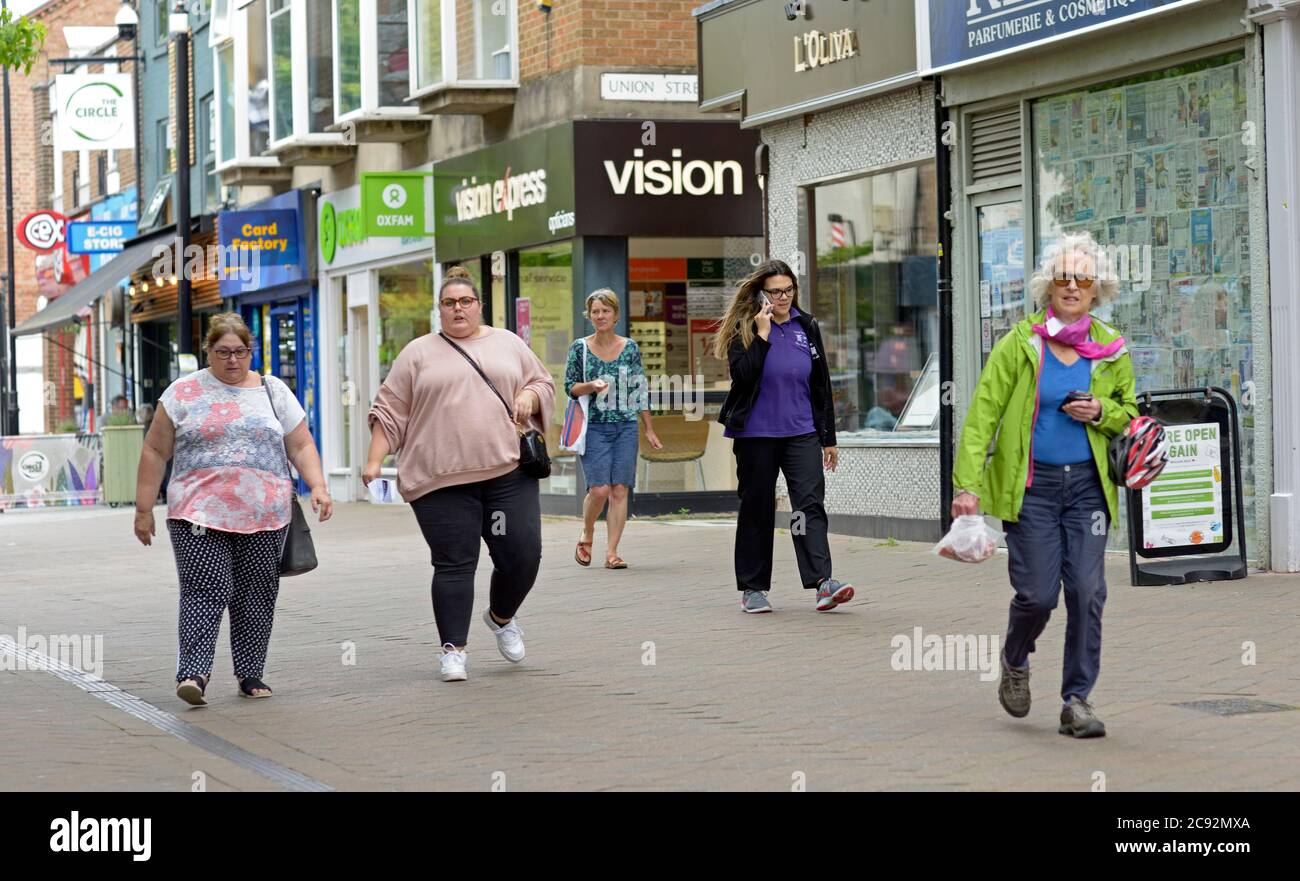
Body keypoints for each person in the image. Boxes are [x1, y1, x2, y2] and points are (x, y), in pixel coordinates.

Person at [952, 231, 1137, 739]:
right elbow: (982, 414)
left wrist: (1103, 411)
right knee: (1037, 596)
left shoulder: (1111, 349)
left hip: (1088, 491)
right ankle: (1015, 657)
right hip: (1031, 488)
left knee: (1086, 590)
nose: (1073, 286)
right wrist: (967, 486)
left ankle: (1077, 699)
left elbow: (1130, 413)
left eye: (1083, 279)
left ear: (1097, 290)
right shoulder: (1020, 343)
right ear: (1047, 286)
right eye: (1063, 277)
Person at [365, 267, 555, 683]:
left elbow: (542, 382)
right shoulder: (417, 353)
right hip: (441, 482)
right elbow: (390, 410)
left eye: (465, 301)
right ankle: (454, 650)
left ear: (479, 306)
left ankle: (501, 617)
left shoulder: (508, 343)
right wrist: (374, 461)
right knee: (454, 563)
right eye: (449, 303)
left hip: (505, 472)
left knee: (522, 555)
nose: (457, 309)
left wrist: (528, 394)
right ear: (440, 310)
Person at [133, 312, 333, 705]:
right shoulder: (182, 393)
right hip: (197, 513)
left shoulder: (273, 391)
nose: (232, 360)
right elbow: (155, 450)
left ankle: (250, 674)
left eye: (240, 352)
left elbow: (301, 444)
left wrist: (320, 486)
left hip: (266, 514)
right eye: (222, 352)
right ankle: (193, 672)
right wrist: (143, 509)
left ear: (250, 351)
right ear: (207, 351)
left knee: (256, 593)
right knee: (206, 589)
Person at [714, 259, 854, 614]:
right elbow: (744, 378)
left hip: (801, 432)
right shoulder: (744, 329)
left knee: (808, 506)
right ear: (761, 293)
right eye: (775, 291)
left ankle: (823, 582)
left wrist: (828, 437)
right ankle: (753, 588)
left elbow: (820, 384)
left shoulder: (806, 326)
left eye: (788, 290)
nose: (783, 297)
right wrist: (761, 335)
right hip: (756, 435)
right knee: (757, 508)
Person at [565, 289, 662, 569]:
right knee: (600, 490)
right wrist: (590, 386)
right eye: (595, 311)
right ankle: (588, 531)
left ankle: (612, 553)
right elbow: (569, 387)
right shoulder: (579, 348)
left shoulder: (629, 347)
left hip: (625, 426)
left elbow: (639, 389)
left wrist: (649, 429)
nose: (600, 316)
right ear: (590, 315)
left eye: (605, 311)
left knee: (620, 489)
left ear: (616, 315)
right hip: (594, 426)